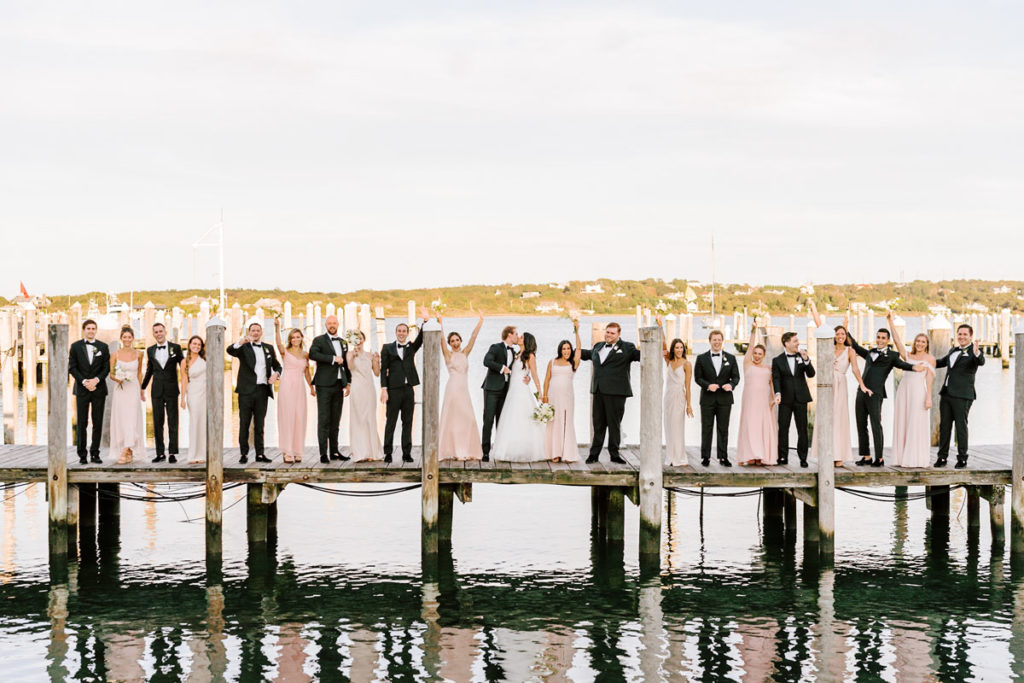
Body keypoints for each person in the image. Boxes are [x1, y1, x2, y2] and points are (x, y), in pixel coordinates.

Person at [848, 324, 926, 467]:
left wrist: (915, 367)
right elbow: (855, 345)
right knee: (861, 424)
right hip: (862, 391)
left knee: (876, 425)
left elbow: (903, 365)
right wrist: (845, 328)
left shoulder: (892, 356)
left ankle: (879, 458)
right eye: (878, 337)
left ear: (888, 340)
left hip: (876, 393)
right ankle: (866, 456)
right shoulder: (870, 353)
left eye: (883, 338)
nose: (880, 340)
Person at [809, 300, 869, 467]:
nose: (840, 336)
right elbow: (819, 325)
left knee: (839, 418)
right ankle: (824, 453)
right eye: (838, 334)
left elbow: (856, 369)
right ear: (834, 336)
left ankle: (839, 455)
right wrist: (814, 308)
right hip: (827, 384)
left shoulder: (850, 351)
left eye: (843, 334)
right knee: (825, 416)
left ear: (846, 336)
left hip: (841, 384)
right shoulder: (828, 346)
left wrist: (862, 385)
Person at [580, 322, 641, 465]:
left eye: (612, 333)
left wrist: (658, 349)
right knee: (598, 424)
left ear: (618, 334)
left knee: (614, 425)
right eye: (607, 332)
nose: (608, 335)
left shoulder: (627, 347)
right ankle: (593, 455)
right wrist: (571, 350)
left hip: (616, 392)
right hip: (598, 391)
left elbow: (641, 355)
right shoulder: (598, 346)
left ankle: (614, 454)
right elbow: (586, 354)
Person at [227, 322, 282, 464]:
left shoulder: (268, 348)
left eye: (258, 330)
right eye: (253, 330)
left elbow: (278, 366)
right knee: (244, 423)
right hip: (246, 391)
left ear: (262, 332)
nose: (255, 332)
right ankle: (243, 454)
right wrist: (241, 341)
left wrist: (276, 374)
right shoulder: (243, 347)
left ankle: (260, 454)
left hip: (262, 390)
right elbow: (230, 350)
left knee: (260, 424)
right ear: (249, 332)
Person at [379, 309, 430, 463]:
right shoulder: (387, 348)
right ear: (396, 332)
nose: (401, 333)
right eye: (399, 331)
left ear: (407, 333)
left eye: (404, 331)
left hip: (409, 390)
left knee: (407, 422)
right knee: (391, 422)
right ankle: (387, 452)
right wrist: (384, 389)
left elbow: (421, 339)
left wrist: (426, 322)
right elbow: (383, 370)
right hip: (393, 390)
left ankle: (406, 453)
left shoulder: (411, 348)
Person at [888, 313, 935, 468]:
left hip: (918, 392)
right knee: (903, 421)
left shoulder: (930, 359)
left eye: (923, 342)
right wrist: (890, 322)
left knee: (916, 422)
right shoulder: (908, 355)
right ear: (914, 343)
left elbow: (929, 380)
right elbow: (897, 341)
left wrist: (928, 398)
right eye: (918, 341)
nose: (920, 344)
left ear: (926, 344)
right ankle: (901, 458)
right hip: (904, 390)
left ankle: (915, 458)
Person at [934, 323, 984, 468]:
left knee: (960, 427)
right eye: (959, 334)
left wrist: (976, 352)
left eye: (965, 334)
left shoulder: (974, 353)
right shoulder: (953, 350)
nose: (961, 337)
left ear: (970, 337)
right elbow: (941, 362)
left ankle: (962, 458)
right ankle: (942, 457)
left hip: (963, 395)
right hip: (946, 394)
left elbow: (980, 361)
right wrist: (923, 361)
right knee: (944, 427)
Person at [492, 332, 547, 461]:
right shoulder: (517, 354)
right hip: (512, 389)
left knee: (523, 418)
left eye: (522, 337)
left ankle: (526, 449)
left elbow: (534, 374)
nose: (519, 338)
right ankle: (513, 448)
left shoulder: (530, 356)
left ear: (526, 341)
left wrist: (540, 392)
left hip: (521, 390)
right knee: (512, 419)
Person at [438, 313, 485, 461]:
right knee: (453, 420)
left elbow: (473, 337)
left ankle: (467, 449)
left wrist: (481, 321)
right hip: (452, 389)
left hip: (464, 391)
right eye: (452, 341)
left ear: (460, 341)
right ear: (450, 343)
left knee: (467, 418)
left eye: (457, 340)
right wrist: (440, 323)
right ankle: (455, 451)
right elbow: (440, 340)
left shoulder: (465, 352)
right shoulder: (448, 355)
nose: (455, 343)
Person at [693, 329, 741, 467]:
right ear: (710, 341)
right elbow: (698, 378)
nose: (717, 342)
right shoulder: (701, 358)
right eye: (714, 340)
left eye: (719, 339)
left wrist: (731, 385)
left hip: (725, 399)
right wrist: (708, 386)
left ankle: (723, 457)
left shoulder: (731, 358)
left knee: (723, 429)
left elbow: (736, 377)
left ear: (722, 341)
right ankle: (706, 457)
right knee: (706, 428)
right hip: (707, 399)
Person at [308, 315, 351, 463]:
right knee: (324, 419)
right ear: (326, 325)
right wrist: (333, 358)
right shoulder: (319, 340)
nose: (332, 325)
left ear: (338, 324)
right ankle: (323, 454)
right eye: (329, 323)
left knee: (335, 420)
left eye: (334, 323)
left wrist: (348, 383)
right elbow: (312, 354)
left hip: (339, 384)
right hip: (324, 385)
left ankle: (334, 451)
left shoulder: (343, 342)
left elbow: (346, 364)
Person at [771, 330, 815, 467]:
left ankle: (803, 458)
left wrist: (807, 360)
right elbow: (776, 379)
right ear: (786, 343)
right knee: (783, 428)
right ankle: (783, 457)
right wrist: (777, 393)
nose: (798, 343)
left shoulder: (802, 356)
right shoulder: (777, 360)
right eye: (795, 341)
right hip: (785, 399)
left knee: (802, 429)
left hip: (801, 398)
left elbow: (811, 374)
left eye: (797, 340)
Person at [141, 322, 183, 464]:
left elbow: (184, 367)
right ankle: (160, 453)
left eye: (161, 331)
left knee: (173, 421)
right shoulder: (150, 350)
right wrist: (142, 387)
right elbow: (150, 370)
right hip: (157, 390)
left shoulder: (175, 348)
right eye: (156, 332)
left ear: (165, 332)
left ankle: (172, 453)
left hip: (172, 390)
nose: (159, 334)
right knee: (158, 422)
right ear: (153, 334)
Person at [541, 320, 583, 463]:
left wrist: (577, 330)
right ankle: (554, 453)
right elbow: (546, 379)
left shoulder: (573, 363)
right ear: (560, 350)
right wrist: (544, 396)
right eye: (564, 349)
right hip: (553, 396)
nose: (566, 351)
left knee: (566, 421)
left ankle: (567, 453)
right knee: (554, 422)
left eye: (568, 349)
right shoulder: (552, 361)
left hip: (567, 397)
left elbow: (579, 349)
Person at [68, 319, 108, 464]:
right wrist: (85, 382)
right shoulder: (75, 346)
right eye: (88, 328)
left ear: (96, 330)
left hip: (98, 389)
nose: (91, 331)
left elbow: (106, 368)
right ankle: (82, 454)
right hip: (82, 389)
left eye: (93, 328)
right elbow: (72, 367)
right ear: (84, 330)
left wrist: (96, 380)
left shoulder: (103, 347)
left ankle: (95, 453)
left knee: (97, 422)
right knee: (82, 422)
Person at [274, 319, 314, 464]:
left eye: (298, 336)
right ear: (290, 339)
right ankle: (286, 451)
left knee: (299, 417)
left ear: (302, 338)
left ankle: (297, 450)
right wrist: (277, 327)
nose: (296, 339)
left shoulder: (305, 354)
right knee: (287, 417)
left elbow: (307, 373)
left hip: (299, 387)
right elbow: (278, 344)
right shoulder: (285, 352)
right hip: (286, 386)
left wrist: (311, 387)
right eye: (293, 337)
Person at [737, 325, 778, 466]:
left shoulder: (768, 368)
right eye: (755, 353)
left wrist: (773, 400)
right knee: (750, 426)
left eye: (760, 354)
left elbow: (772, 385)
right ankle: (750, 455)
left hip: (763, 402)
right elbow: (749, 347)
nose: (757, 356)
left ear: (764, 355)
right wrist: (753, 330)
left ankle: (760, 455)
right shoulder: (747, 364)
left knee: (762, 427)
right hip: (750, 402)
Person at [108, 325, 147, 465]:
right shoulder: (115, 355)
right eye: (124, 337)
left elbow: (139, 373)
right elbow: (111, 373)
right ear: (121, 338)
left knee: (132, 418)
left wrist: (142, 390)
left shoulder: (139, 354)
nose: (127, 339)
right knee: (122, 419)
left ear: (133, 338)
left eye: (129, 337)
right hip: (121, 389)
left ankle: (126, 448)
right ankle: (128, 450)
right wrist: (118, 378)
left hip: (133, 389)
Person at [657, 318, 693, 467]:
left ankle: (679, 457)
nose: (679, 350)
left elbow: (688, 386)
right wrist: (660, 326)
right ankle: (670, 456)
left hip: (679, 397)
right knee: (668, 426)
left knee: (677, 426)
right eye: (676, 348)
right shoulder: (669, 361)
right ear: (673, 349)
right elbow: (663, 344)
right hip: (668, 396)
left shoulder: (687, 364)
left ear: (684, 349)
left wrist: (689, 405)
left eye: (681, 348)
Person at [481, 325, 519, 461]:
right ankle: (485, 452)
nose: (517, 337)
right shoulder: (495, 347)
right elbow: (487, 361)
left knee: (502, 422)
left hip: (506, 390)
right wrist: (502, 368)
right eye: (516, 334)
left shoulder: (514, 353)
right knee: (488, 420)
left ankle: (499, 450)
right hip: (491, 389)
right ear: (509, 335)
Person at [346, 331, 384, 462]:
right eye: (356, 338)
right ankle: (359, 452)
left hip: (369, 389)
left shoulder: (369, 355)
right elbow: (350, 367)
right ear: (352, 340)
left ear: (364, 339)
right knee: (358, 419)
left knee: (369, 418)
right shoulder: (349, 354)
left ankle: (372, 452)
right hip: (357, 388)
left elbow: (377, 373)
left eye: (361, 338)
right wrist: (353, 356)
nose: (359, 340)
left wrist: (377, 361)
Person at [179, 335, 207, 464]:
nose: (196, 346)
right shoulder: (185, 361)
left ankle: (202, 454)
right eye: (194, 344)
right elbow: (184, 380)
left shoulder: (205, 359)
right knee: (195, 422)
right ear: (189, 345)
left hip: (205, 393)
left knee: (203, 423)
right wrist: (183, 398)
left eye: (199, 345)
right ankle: (193, 455)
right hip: (193, 393)